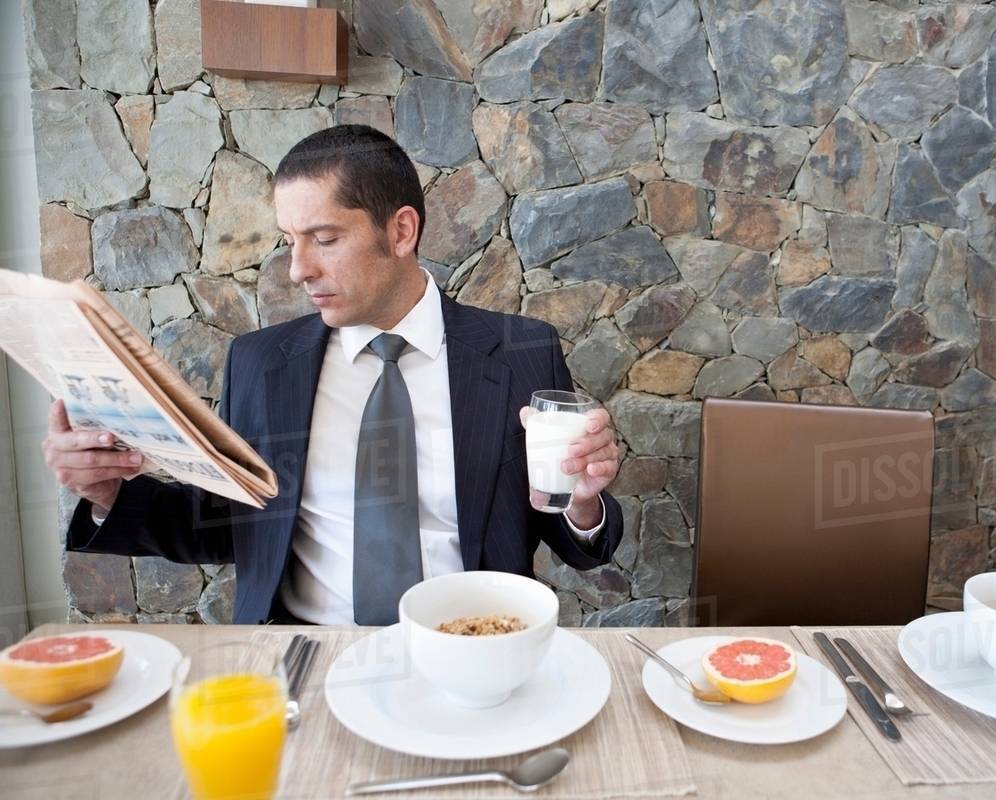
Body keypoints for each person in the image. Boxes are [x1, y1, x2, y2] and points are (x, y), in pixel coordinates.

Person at [42, 125, 623, 625]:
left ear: (401, 231)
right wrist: (107, 494)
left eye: (325, 239)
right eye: (291, 242)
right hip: (306, 649)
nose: (298, 269)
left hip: (475, 646)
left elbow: (577, 541)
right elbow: (225, 528)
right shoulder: (261, 363)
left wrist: (583, 504)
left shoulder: (520, 351)